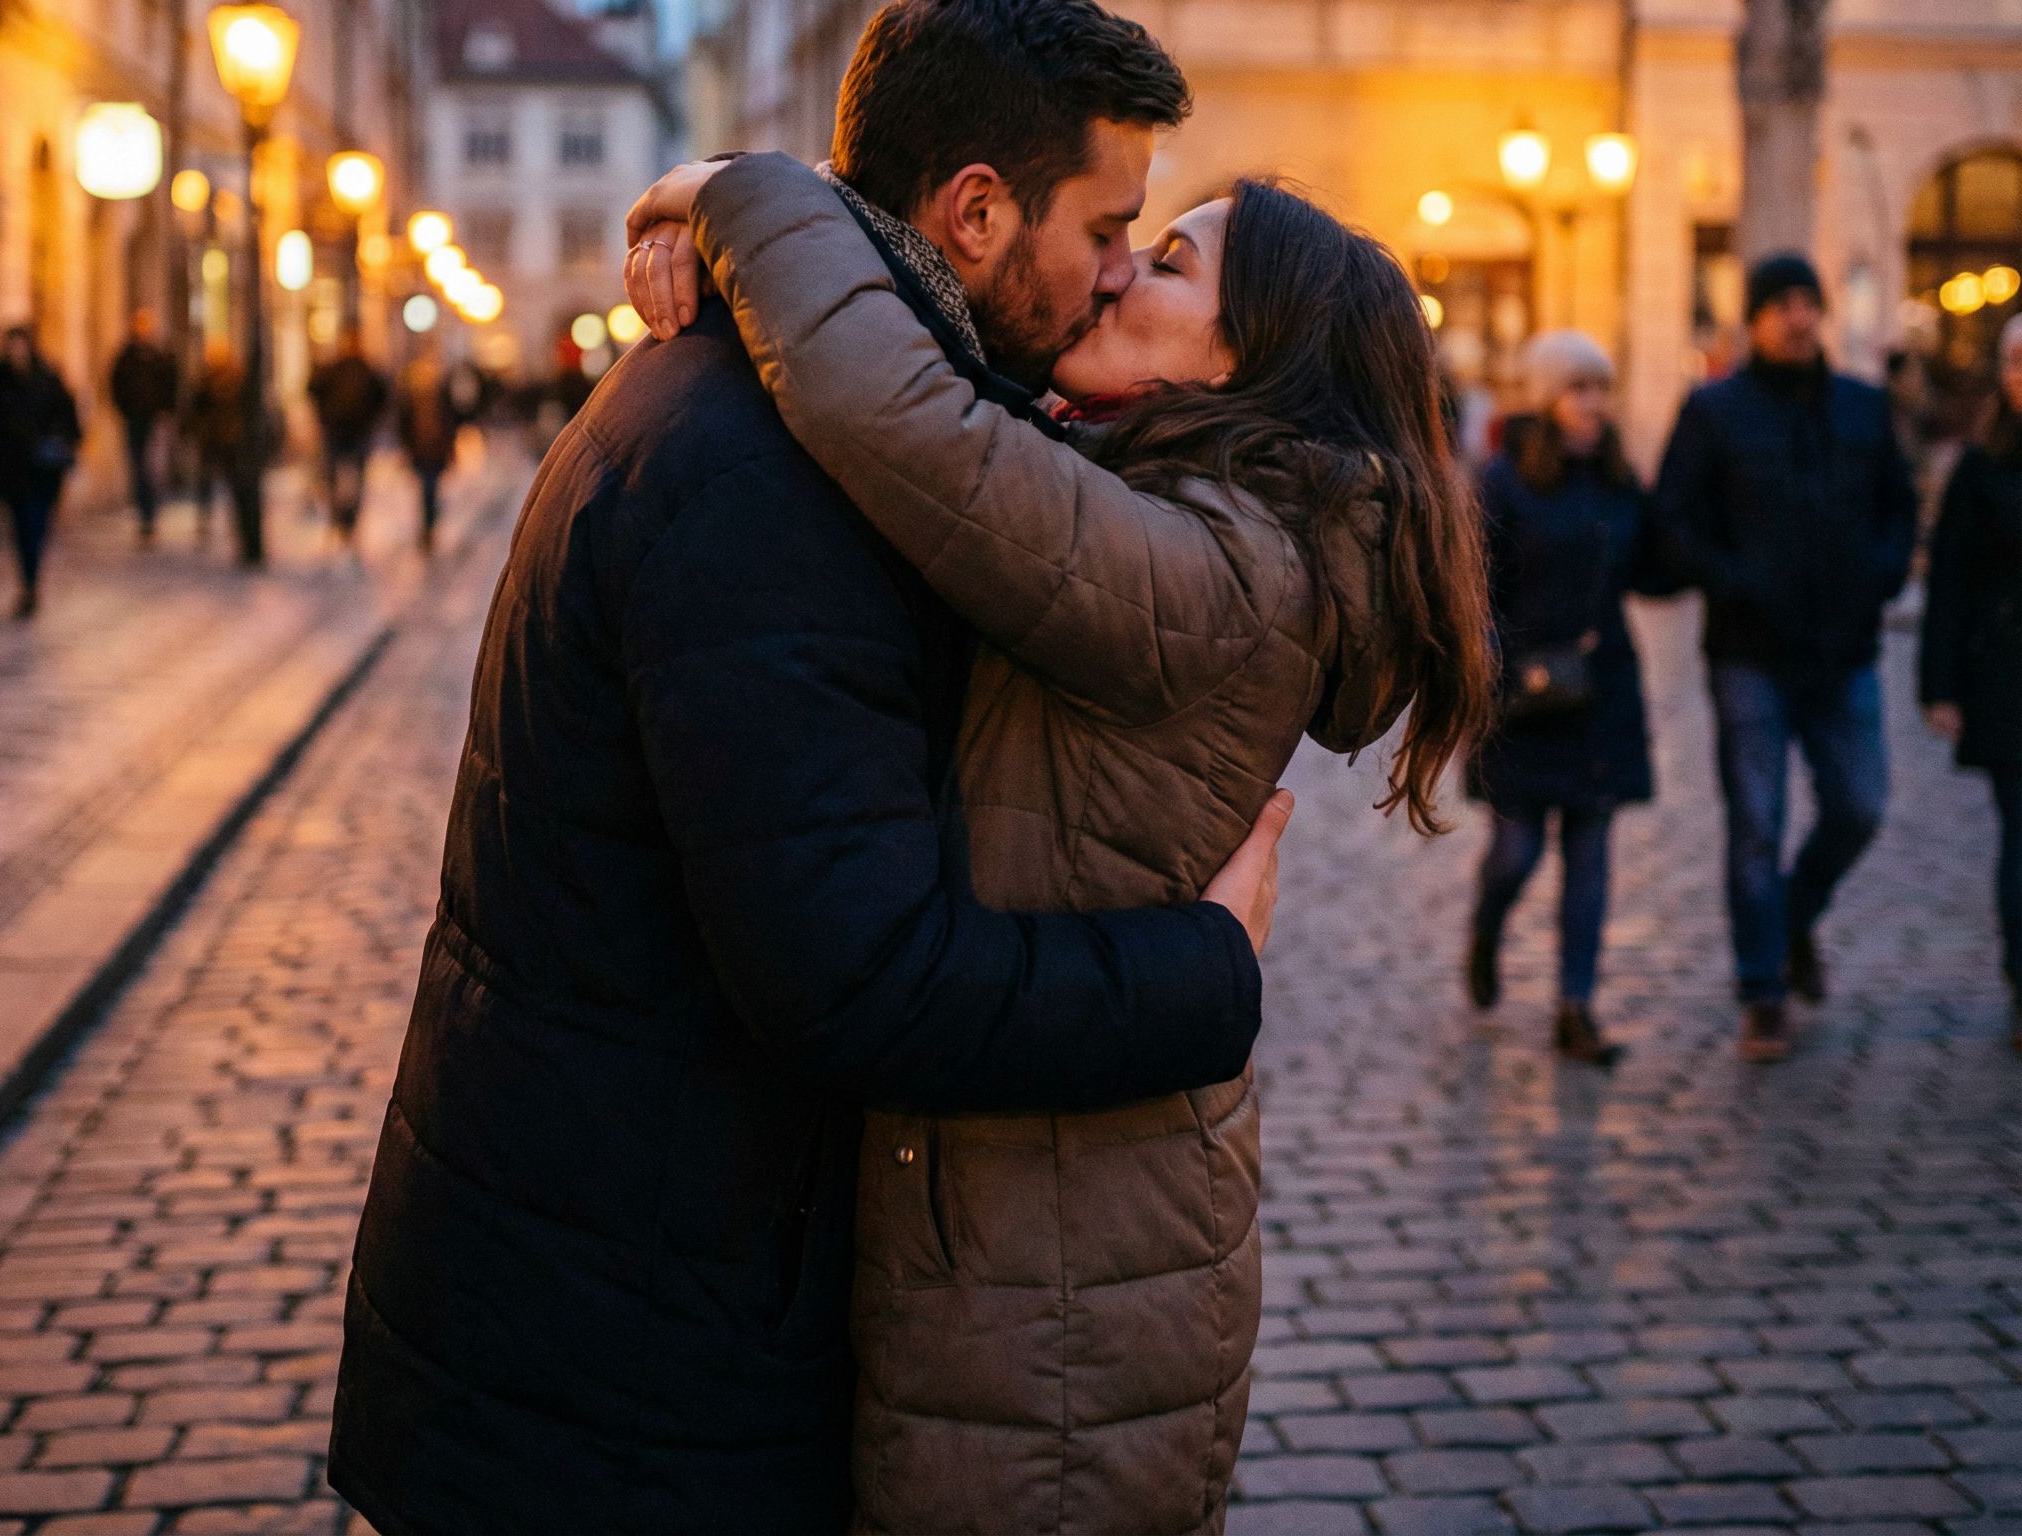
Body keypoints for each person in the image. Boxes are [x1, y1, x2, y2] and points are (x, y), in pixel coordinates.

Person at [330, 0, 1301, 1536]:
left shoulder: (791, 409)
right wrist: (1204, 971)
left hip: (623, 1297)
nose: (1120, 273)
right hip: (629, 1377)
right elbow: (862, 979)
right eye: (1108, 228)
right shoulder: (767, 481)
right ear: (976, 214)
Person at [625, 149, 1494, 1536]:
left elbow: (900, 419)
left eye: (1170, 264)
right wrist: (734, 279)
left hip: (1073, 1295)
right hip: (1057, 1224)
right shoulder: (1172, 509)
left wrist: (738, 192)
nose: (1117, 270)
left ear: (1244, 357)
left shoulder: (1221, 569)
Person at [1657, 252, 1918, 1062]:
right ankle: (1762, 989)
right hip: (1751, 653)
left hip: (1845, 649)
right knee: (1756, 827)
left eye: (1809, 302)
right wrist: (1734, 581)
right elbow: (1675, 519)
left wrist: (1879, 575)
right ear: (1755, 320)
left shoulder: (1863, 407)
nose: (1798, 317)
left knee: (1859, 806)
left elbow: (1899, 508)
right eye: (1782, 304)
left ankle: (1792, 919)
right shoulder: (1714, 411)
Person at [1464, 331, 1666, 1068]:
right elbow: (1476, 590)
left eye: (1601, 389)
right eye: (1579, 388)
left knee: (1590, 855)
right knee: (1515, 853)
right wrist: (1496, 667)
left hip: (1600, 691)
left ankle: (1575, 1007)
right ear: (1547, 397)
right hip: (1521, 696)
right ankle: (1487, 928)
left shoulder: (1618, 480)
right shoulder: (1503, 481)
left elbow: (1652, 568)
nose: (1594, 403)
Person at [1919, 314, 2022, 1053]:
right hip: (2007, 676)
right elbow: (1950, 580)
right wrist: (1940, 686)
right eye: (2016, 362)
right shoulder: (1982, 467)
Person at [0, 326, 81, 617]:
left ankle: (30, 583)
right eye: (11, 346)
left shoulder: (47, 377)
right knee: (21, 528)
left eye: (20, 345)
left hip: (42, 469)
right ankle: (29, 583)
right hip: (12, 468)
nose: (16, 352)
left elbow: (67, 414)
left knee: (36, 525)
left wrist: (60, 441)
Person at [306, 327, 388, 545]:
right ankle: (346, 520)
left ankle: (342, 520)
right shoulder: (362, 368)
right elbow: (383, 397)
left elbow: (313, 388)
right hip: (351, 430)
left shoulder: (340, 367)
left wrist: (324, 416)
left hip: (343, 430)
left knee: (337, 476)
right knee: (349, 477)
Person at [109, 308, 178, 543]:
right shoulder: (126, 356)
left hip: (153, 419)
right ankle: (144, 513)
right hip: (133, 418)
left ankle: (150, 513)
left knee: (150, 466)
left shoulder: (158, 356)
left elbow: (169, 384)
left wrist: (165, 411)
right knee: (137, 466)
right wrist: (124, 409)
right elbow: (116, 383)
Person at [184, 339, 246, 547]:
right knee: (211, 480)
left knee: (221, 479)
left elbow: (195, 407)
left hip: (223, 436)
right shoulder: (208, 378)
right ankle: (210, 518)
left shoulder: (231, 377)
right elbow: (195, 406)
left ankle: (220, 519)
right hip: (217, 436)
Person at [395, 352, 458, 552]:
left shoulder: (436, 397)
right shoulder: (429, 398)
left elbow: (448, 425)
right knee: (429, 490)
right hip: (426, 452)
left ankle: (428, 526)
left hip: (429, 452)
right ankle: (428, 526)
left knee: (428, 490)